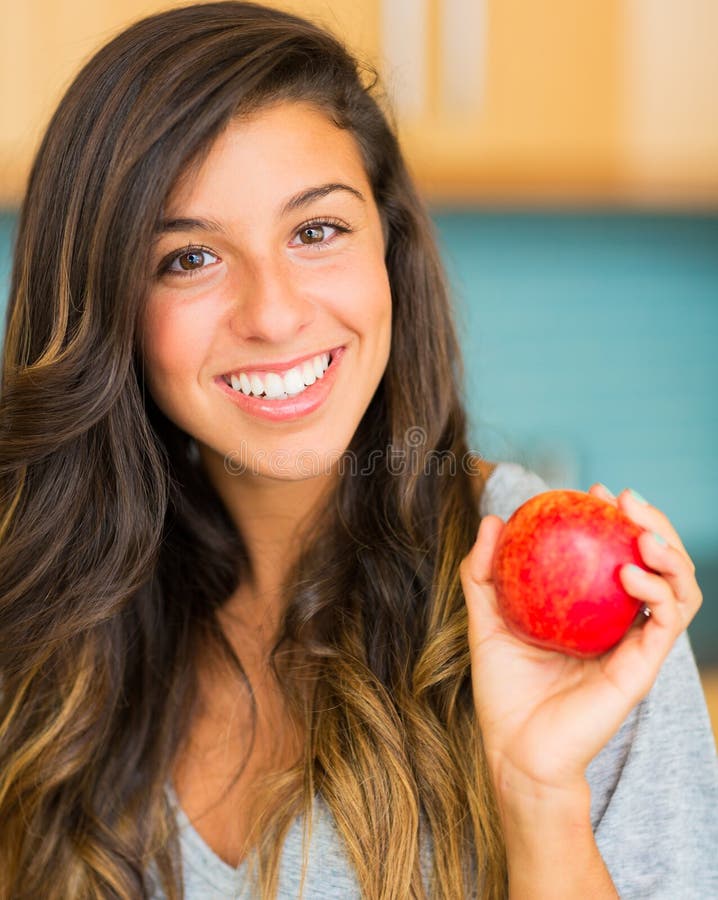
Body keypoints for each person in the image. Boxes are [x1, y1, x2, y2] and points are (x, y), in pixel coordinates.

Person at [0, 2, 716, 898]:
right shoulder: (53, 606)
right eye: (188, 258)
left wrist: (539, 794)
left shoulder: (574, 614)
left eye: (315, 231)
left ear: (390, 248)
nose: (273, 313)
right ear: (110, 305)